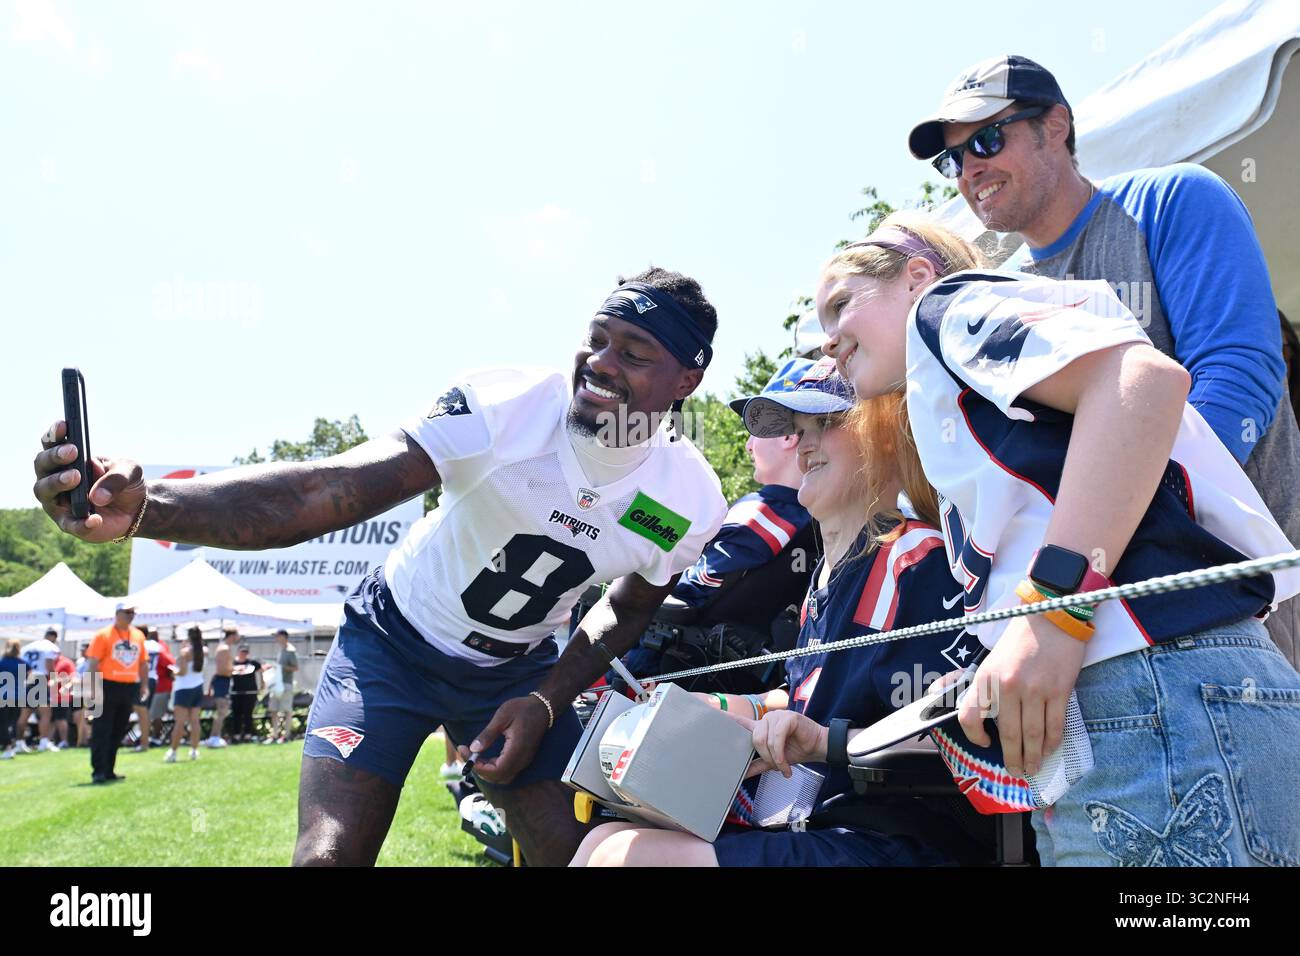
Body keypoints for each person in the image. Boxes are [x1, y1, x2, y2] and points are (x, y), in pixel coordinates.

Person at [33, 267, 728, 866]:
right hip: (393, 644)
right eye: (598, 338)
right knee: (328, 856)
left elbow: (630, 605)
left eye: (634, 352)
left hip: (515, 671)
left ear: (686, 381)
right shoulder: (509, 408)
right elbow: (329, 491)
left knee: (576, 856)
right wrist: (151, 508)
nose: (601, 362)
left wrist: (546, 699)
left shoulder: (681, 499)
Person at [816, 211, 1300, 866]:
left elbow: (1143, 382)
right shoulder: (951, 398)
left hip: (1150, 692)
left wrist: (1054, 613)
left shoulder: (947, 307)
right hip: (1149, 701)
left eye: (840, 304)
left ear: (917, 276)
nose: (827, 340)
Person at [908, 54, 1300, 666]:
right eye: (954, 158)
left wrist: (1101, 554)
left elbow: (1239, 373)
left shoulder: (1173, 199)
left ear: (1057, 125)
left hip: (1242, 621)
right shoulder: (1000, 290)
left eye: (987, 138)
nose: (971, 168)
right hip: (1095, 632)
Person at [574, 362, 972, 866]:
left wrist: (822, 743)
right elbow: (805, 696)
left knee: (626, 859)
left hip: (893, 839)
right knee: (598, 839)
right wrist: (714, 709)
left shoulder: (917, 559)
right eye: (797, 430)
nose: (803, 444)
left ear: (886, 434)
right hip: (821, 820)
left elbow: (952, 732)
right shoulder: (828, 576)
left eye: (825, 425)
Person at [610, 358, 818, 694]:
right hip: (743, 694)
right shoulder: (820, 523)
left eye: (756, 431)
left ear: (786, 437)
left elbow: (686, 595)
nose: (749, 444)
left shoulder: (765, 512)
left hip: (668, 682)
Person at [84, 602, 149, 784]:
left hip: (128, 686)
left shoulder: (138, 635)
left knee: (118, 729)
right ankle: (98, 770)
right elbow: (93, 662)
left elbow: (143, 663)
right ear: (117, 613)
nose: (130, 616)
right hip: (106, 685)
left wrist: (144, 684)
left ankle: (109, 770)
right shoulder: (103, 635)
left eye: (132, 613)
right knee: (102, 729)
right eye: (127, 612)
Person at [16, 628, 60, 753]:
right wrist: (53, 680)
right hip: (40, 679)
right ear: (53, 637)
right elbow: (49, 665)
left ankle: (19, 743)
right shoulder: (49, 647)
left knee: (24, 714)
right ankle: (44, 742)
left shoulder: (28, 647)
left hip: (26, 680)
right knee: (46, 713)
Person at [165, 626, 205, 763]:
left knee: (179, 722)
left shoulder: (185, 652)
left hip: (183, 689)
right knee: (195, 721)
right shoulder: (202, 651)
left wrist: (172, 671)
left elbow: (181, 672)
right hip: (198, 687)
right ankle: (194, 750)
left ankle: (173, 752)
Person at [133, 626, 164, 752]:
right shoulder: (156, 645)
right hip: (153, 679)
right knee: (144, 712)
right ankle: (143, 739)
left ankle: (144, 742)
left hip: (141, 679)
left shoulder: (140, 645)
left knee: (142, 712)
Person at [263, 630, 297, 744]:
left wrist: (279, 667)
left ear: (283, 637)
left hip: (286, 685)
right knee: (273, 710)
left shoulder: (290, 650)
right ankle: (275, 735)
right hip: (276, 686)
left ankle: (286, 735)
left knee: (287, 710)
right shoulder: (281, 650)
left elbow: (295, 668)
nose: (276, 638)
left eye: (277, 636)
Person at [205, 626, 235, 747]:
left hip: (224, 681)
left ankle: (215, 735)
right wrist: (234, 670)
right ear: (232, 636)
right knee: (221, 710)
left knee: (223, 710)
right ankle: (214, 736)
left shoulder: (225, 648)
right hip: (222, 681)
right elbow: (222, 669)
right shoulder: (223, 649)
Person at [229, 644, 263, 743]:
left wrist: (262, 684)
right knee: (236, 714)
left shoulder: (252, 663)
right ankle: (236, 735)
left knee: (248, 714)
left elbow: (261, 671)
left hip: (250, 692)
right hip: (236, 692)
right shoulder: (233, 663)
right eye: (242, 652)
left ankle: (248, 735)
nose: (243, 654)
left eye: (245, 652)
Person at [0, 639, 27, 760]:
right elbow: (31, 677)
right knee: (11, 722)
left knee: (3, 723)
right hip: (18, 696)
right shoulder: (22, 663)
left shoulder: (2, 662)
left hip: (4, 696)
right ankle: (11, 745)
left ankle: (8, 748)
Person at [149, 636, 176, 744]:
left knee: (156, 715)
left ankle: (156, 738)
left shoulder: (159, 647)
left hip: (161, 687)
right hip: (152, 687)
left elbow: (171, 664)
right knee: (150, 714)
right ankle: (153, 737)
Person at [49, 649, 76, 748]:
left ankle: (64, 741)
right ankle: (47, 741)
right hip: (50, 696)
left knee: (60, 719)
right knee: (50, 720)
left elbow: (73, 677)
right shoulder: (49, 662)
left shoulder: (66, 662)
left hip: (62, 696)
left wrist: (59, 681)